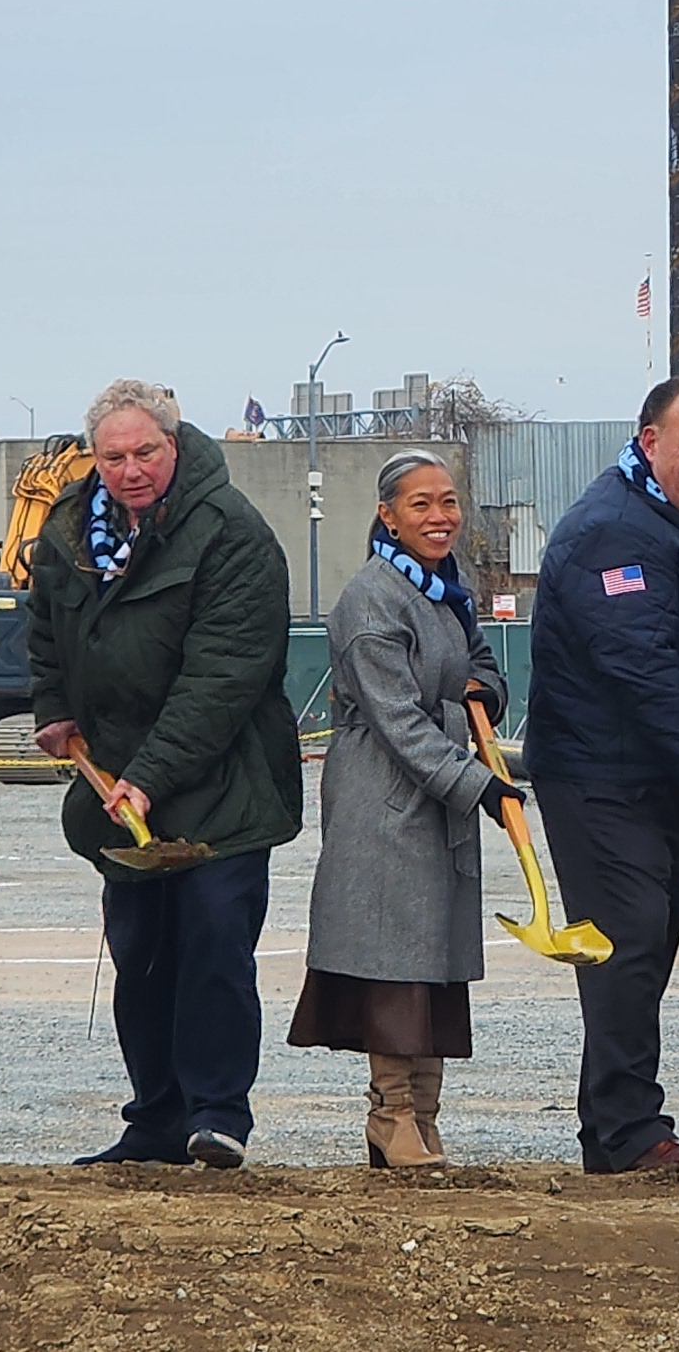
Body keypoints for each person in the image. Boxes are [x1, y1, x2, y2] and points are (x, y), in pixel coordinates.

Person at [28, 379, 300, 1168]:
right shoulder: (68, 529)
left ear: (174, 447)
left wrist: (148, 775)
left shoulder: (231, 533)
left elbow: (223, 679)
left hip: (225, 787)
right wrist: (53, 707)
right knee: (140, 951)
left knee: (213, 943)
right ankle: (153, 1117)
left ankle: (217, 1114)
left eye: (145, 451)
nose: (130, 468)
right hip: (118, 787)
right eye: (113, 456)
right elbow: (45, 629)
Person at [526, 377, 679, 1174]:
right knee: (627, 950)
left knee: (643, 951)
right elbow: (640, 666)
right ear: (648, 440)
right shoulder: (613, 531)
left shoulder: (678, 517)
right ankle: (628, 1132)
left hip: (651, 779)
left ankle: (615, 1127)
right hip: (601, 779)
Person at [289, 448, 510, 1167]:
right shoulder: (370, 598)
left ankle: (424, 1116)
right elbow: (399, 721)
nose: (440, 517)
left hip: (435, 794)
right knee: (394, 960)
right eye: (422, 504)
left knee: (435, 958)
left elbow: (481, 664)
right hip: (382, 801)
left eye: (448, 502)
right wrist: (478, 786)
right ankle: (391, 1116)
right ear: (388, 514)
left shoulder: (446, 587)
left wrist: (485, 693)